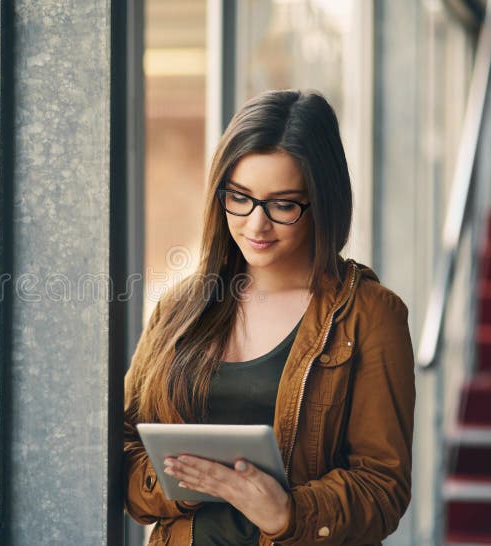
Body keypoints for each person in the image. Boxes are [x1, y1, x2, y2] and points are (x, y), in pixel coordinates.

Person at [123, 89, 415, 546]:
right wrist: (187, 479)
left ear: (323, 202)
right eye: (239, 197)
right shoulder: (179, 309)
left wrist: (287, 513)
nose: (255, 225)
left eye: (282, 205)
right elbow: (123, 450)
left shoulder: (371, 316)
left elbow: (383, 487)